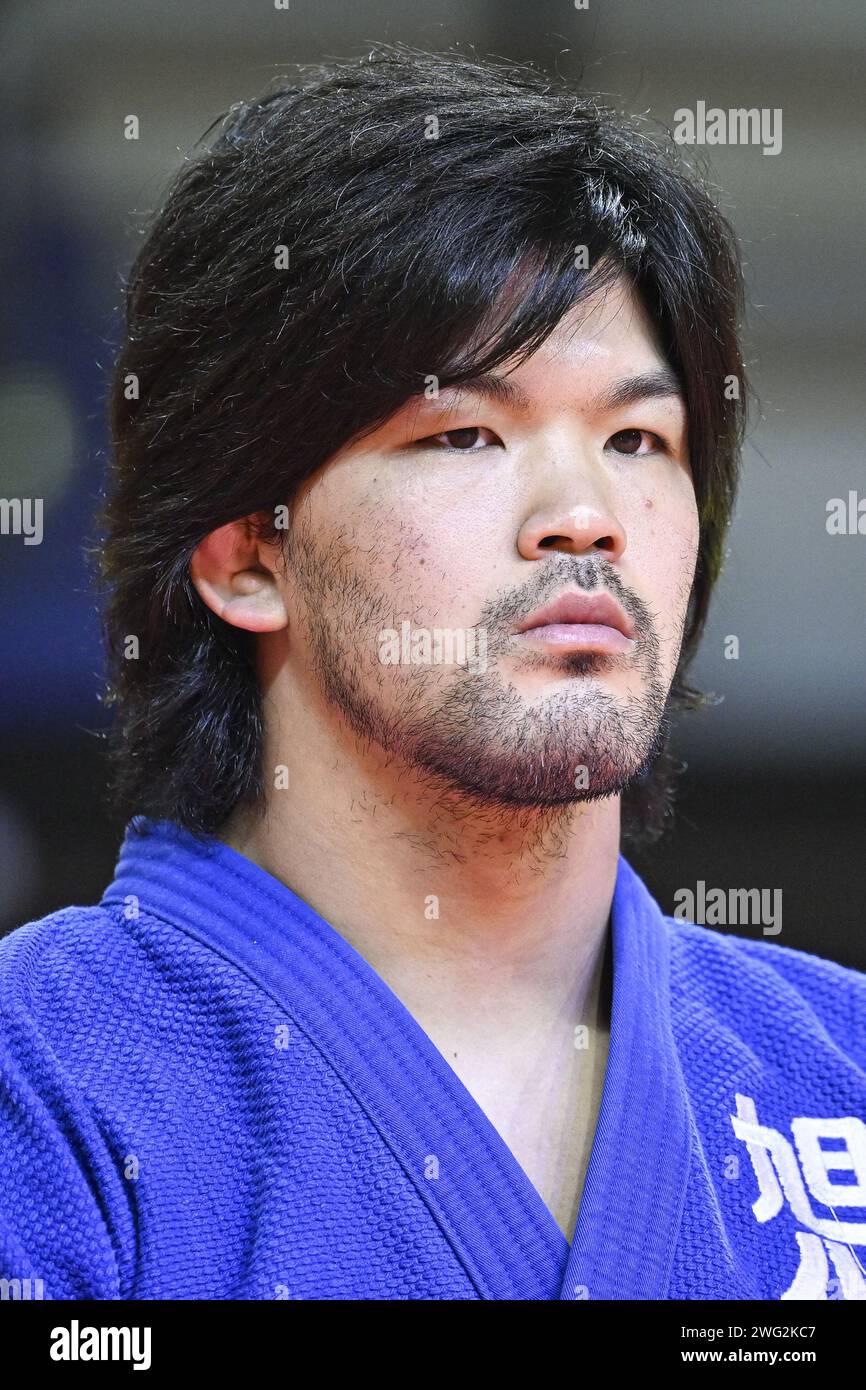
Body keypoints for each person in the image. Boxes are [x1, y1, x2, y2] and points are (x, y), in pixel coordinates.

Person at [1, 46, 864, 1302]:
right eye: (464, 432)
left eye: (637, 436)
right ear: (244, 553)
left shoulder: (837, 1072)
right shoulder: (43, 1077)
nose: (584, 513)